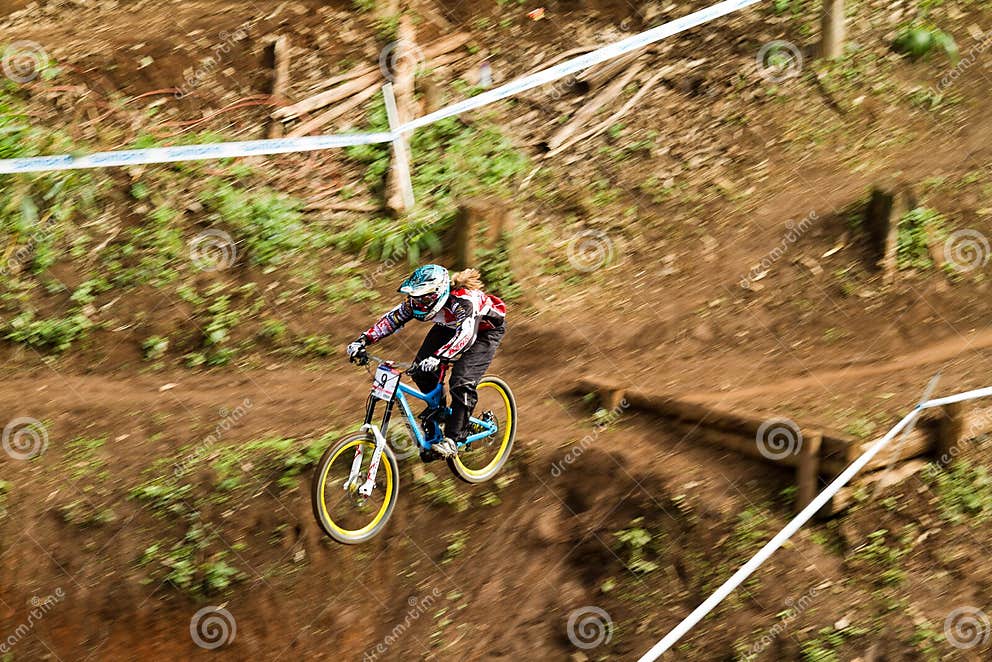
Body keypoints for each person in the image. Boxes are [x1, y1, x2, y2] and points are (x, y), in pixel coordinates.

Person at [346, 265, 506, 457]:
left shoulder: (463, 301)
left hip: (484, 332)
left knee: (461, 381)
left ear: (438, 293)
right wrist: (362, 341)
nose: (418, 303)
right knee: (419, 370)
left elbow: (466, 336)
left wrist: (439, 357)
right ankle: (439, 412)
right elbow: (390, 321)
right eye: (415, 297)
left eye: (424, 298)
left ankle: (454, 439)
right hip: (449, 326)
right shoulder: (415, 303)